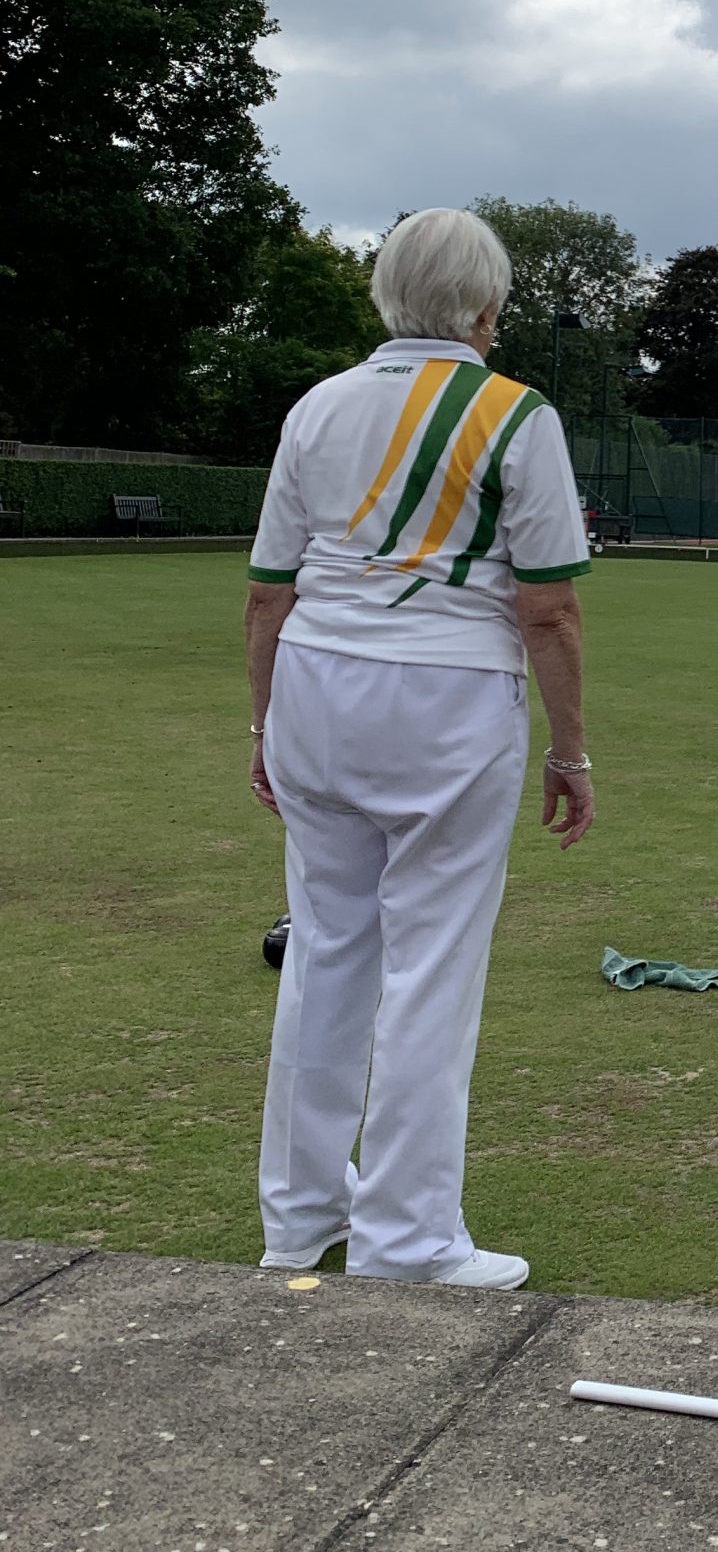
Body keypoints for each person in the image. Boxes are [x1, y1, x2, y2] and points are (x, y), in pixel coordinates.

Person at [245, 207, 595, 1290]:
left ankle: (303, 1218)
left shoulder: (318, 405)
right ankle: (408, 1238)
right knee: (432, 968)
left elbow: (269, 589)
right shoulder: (513, 412)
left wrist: (264, 726)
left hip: (314, 683)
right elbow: (549, 610)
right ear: (485, 306)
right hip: (447, 695)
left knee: (326, 952)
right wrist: (571, 751)